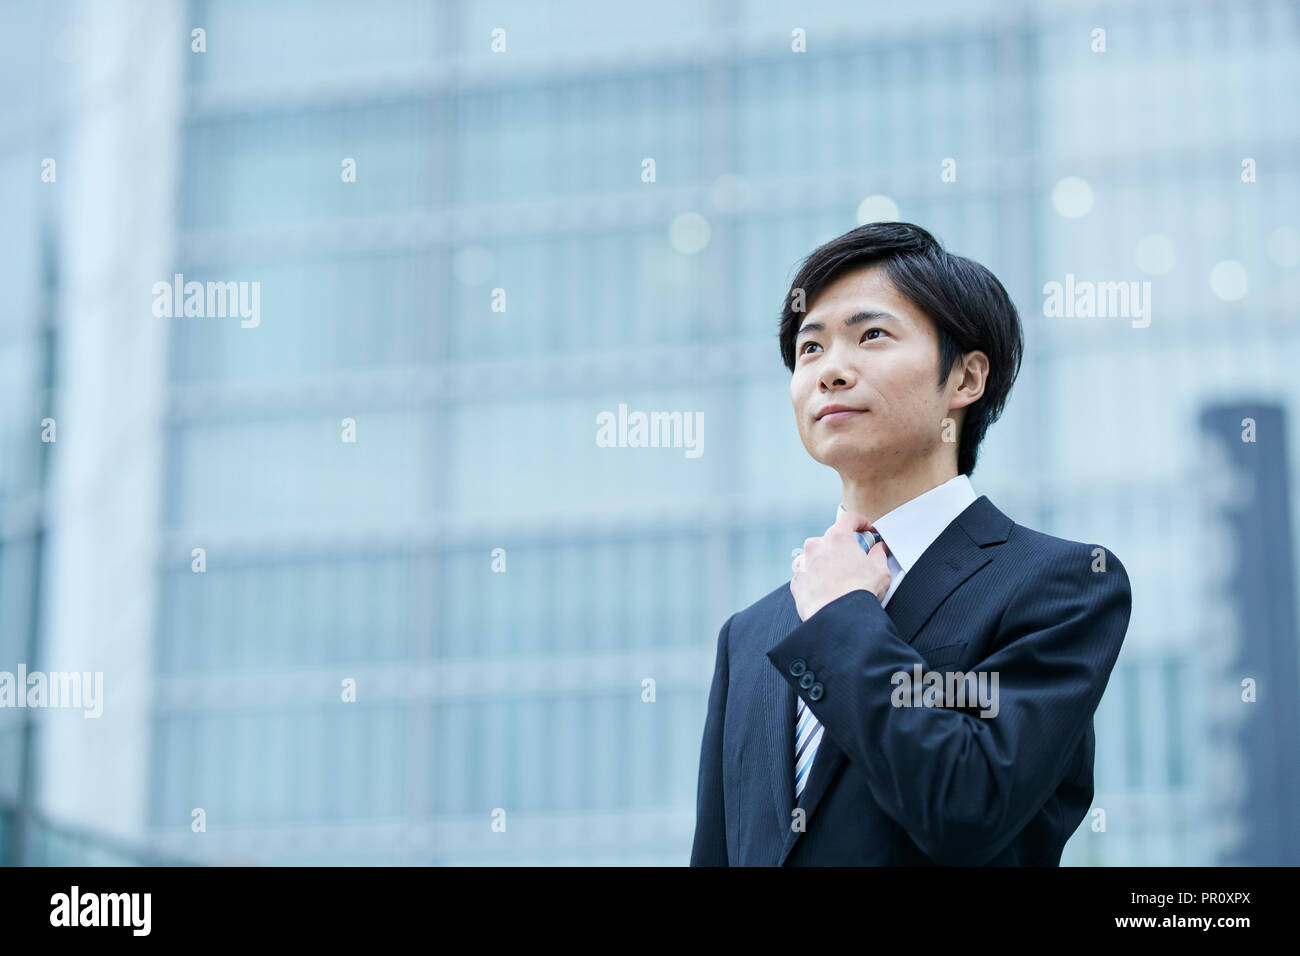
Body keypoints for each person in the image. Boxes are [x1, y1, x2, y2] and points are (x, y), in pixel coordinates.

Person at [690, 222, 1132, 866]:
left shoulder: (1059, 584)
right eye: (809, 350)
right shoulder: (750, 635)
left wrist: (845, 618)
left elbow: (968, 804)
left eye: (871, 336)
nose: (831, 370)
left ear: (965, 379)